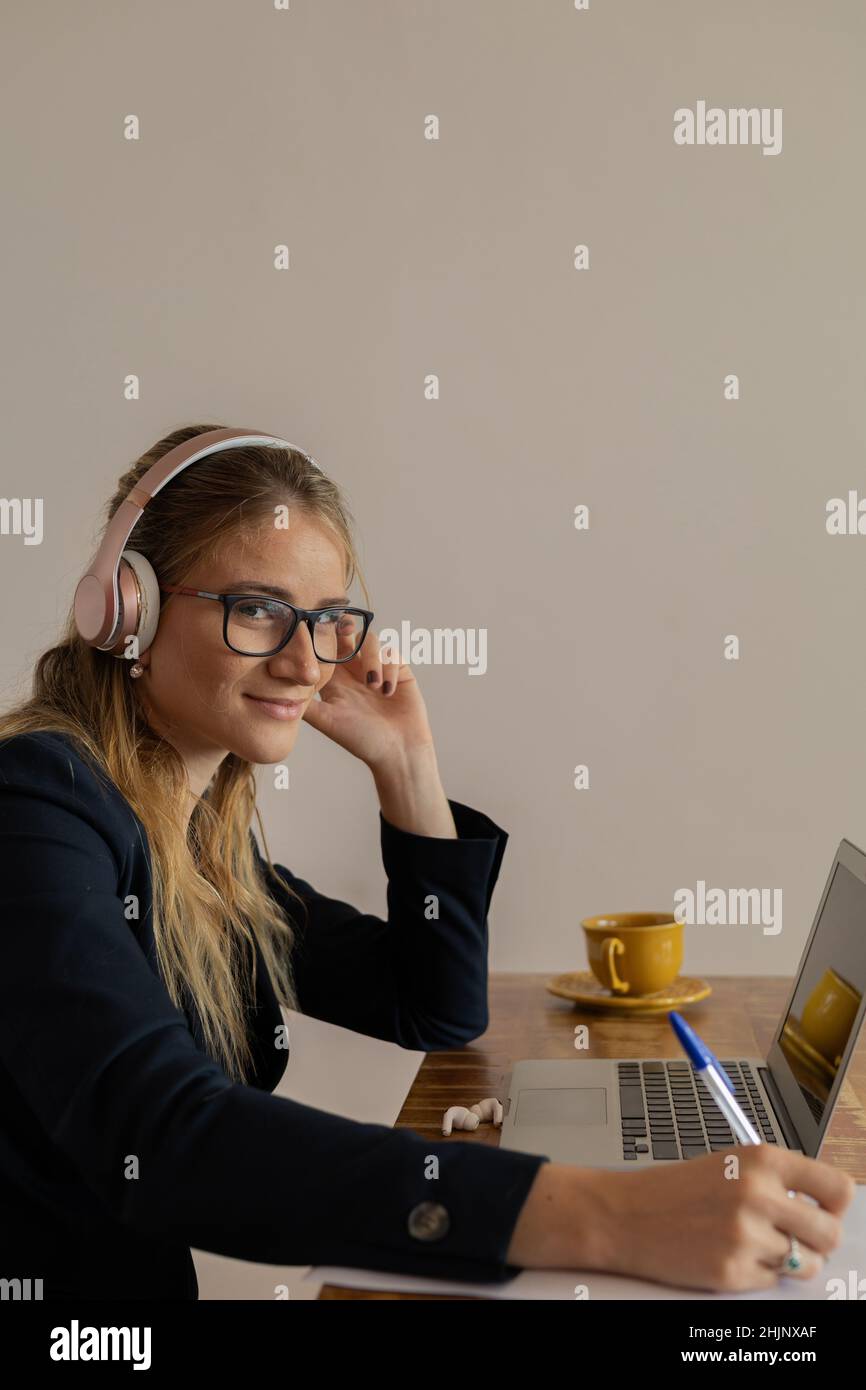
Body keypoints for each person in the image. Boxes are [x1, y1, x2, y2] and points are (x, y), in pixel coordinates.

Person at [0, 424, 854, 1300]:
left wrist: (407, 767)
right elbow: (170, 1139)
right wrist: (610, 1215)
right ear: (126, 607)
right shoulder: (34, 812)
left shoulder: (198, 845)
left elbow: (431, 1005)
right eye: (257, 609)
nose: (305, 662)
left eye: (328, 619)